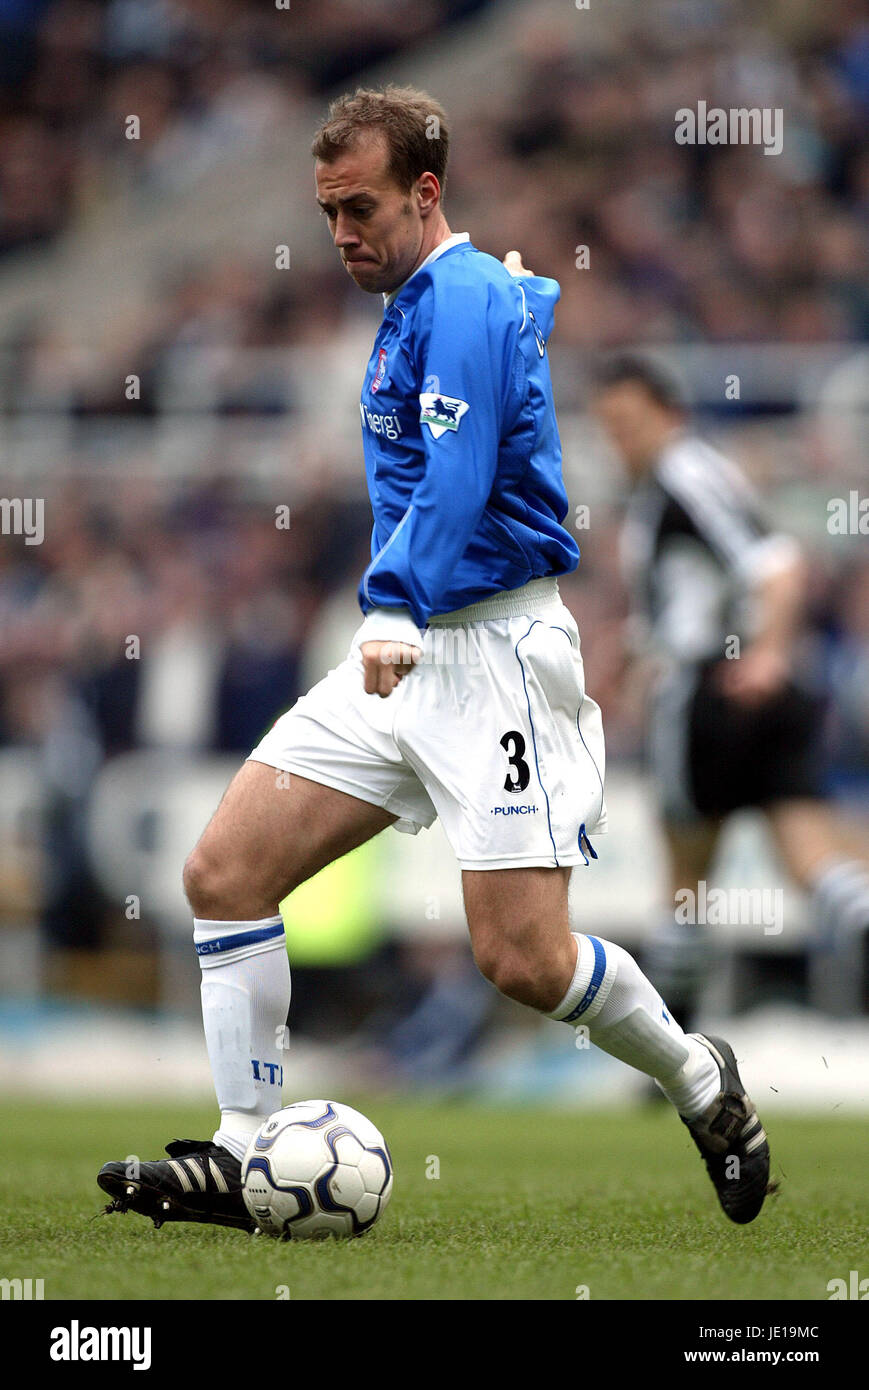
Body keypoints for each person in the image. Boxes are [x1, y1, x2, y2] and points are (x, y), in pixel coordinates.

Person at [98, 88, 770, 1231]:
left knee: (521, 959)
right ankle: (240, 1148)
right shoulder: (414, 301)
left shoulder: (459, 294)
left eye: (359, 207)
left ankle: (699, 1082)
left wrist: (395, 605)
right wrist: (396, 619)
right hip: (402, 658)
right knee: (223, 876)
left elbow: (456, 482)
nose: (341, 232)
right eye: (324, 214)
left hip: (490, 653)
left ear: (424, 190)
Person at [593, 354, 869, 1026]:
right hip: (757, 693)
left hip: (706, 693)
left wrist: (768, 652)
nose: (620, 442)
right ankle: (860, 922)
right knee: (812, 860)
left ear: (670, 415)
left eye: (630, 424)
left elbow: (775, 564)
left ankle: (671, 1051)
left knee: (684, 882)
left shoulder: (684, 474)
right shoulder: (672, 488)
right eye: (611, 428)